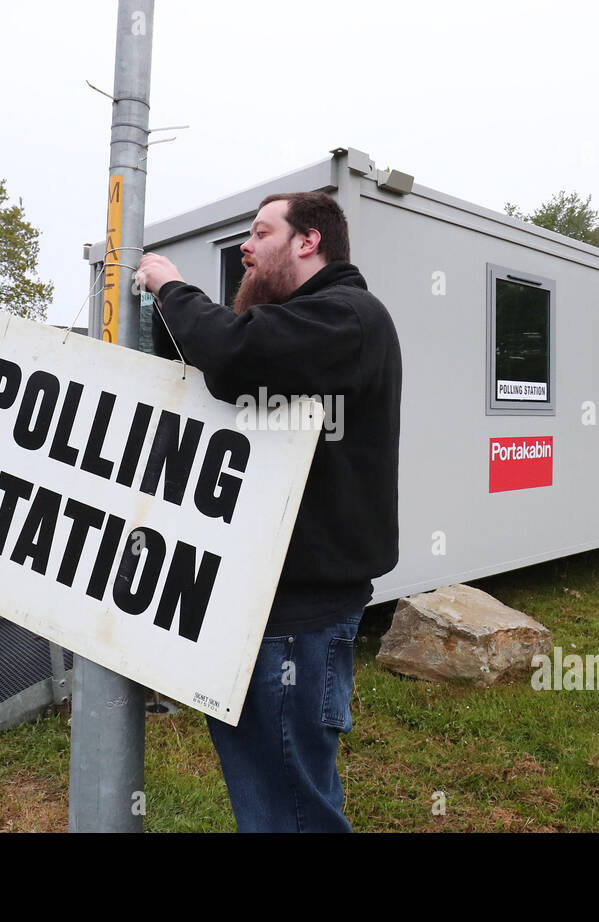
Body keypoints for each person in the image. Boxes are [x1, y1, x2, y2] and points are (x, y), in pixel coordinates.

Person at [133, 191, 401, 832]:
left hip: (296, 621)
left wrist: (171, 286)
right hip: (262, 604)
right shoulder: (309, 323)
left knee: (289, 813)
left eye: (260, 233)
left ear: (308, 241)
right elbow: (222, 371)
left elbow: (235, 352)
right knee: (273, 798)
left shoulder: (347, 317)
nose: (246, 250)